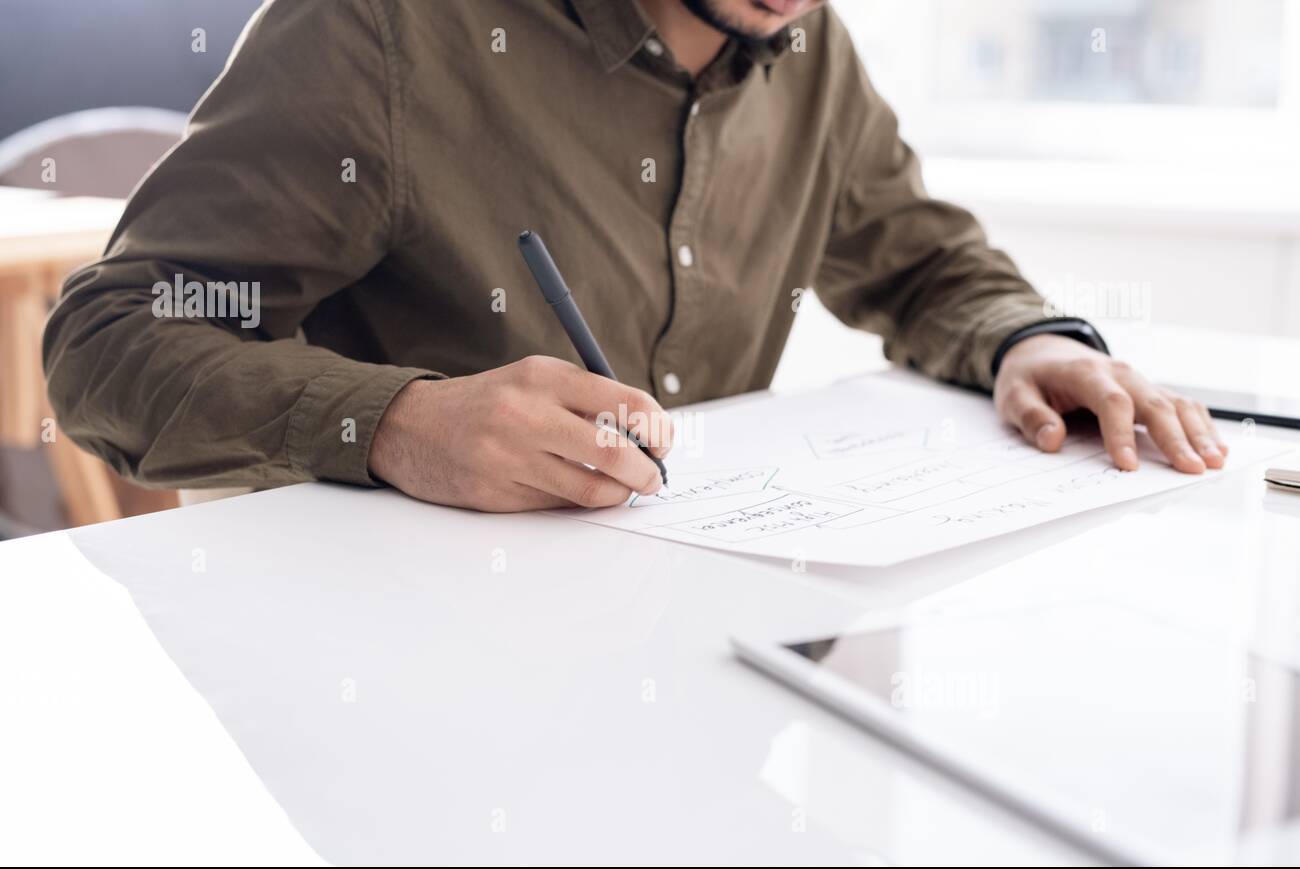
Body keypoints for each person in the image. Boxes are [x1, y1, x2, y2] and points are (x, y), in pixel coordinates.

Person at [44, 0, 1227, 514]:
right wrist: (395, 422)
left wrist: (1025, 337)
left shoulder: (810, 55)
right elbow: (105, 342)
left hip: (684, 662)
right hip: (393, 691)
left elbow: (920, 260)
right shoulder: (390, 32)